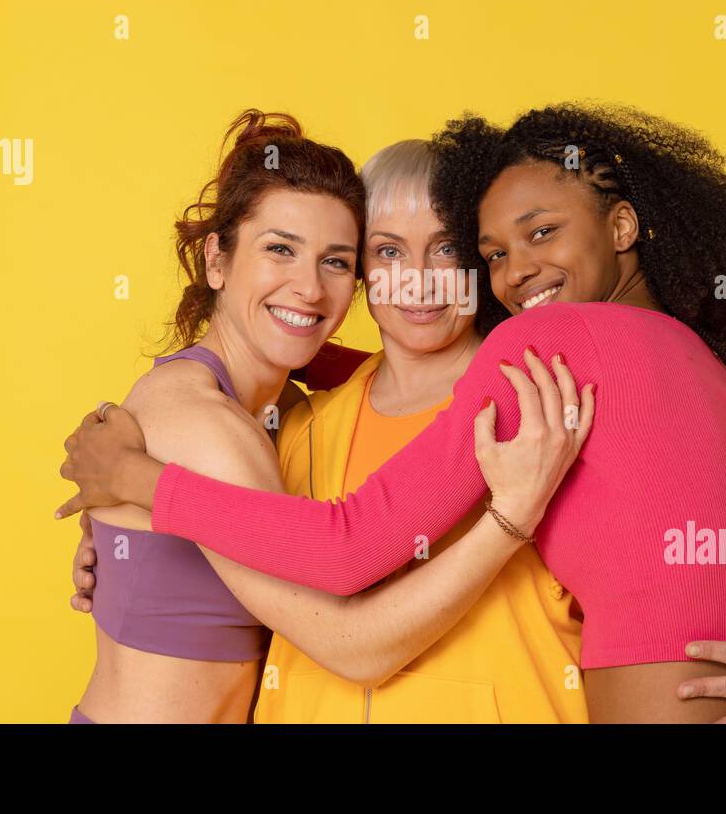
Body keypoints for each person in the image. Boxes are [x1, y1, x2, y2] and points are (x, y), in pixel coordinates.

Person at [59, 103, 726, 722]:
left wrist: (135, 478)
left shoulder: (542, 371)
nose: (517, 269)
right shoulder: (690, 361)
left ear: (621, 228)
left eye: (452, 250)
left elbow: (348, 552)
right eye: (386, 253)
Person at [69, 109, 593, 723]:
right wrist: (511, 518)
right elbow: (351, 635)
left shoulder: (287, 412)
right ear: (217, 261)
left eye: (335, 261)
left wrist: (128, 495)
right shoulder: (220, 426)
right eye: (279, 250)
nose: (309, 289)